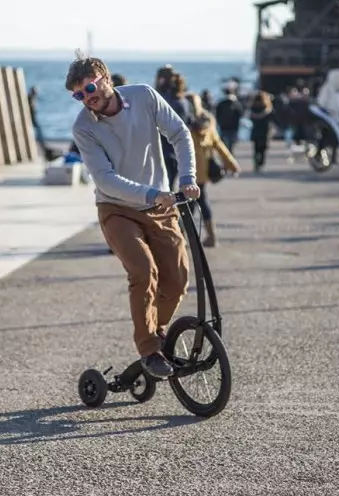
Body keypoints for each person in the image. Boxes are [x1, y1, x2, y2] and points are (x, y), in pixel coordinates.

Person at [67, 52, 199, 379]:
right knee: (143, 271)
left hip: (161, 206)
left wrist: (187, 178)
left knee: (177, 281)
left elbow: (180, 134)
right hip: (117, 209)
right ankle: (150, 349)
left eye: (91, 88)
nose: (87, 98)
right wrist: (152, 193)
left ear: (106, 79)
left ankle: (156, 332)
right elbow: (105, 179)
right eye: (79, 95)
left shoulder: (144, 97)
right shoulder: (84, 128)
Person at [185, 92, 241, 247]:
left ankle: (185, 237)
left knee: (191, 203)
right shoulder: (208, 123)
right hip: (202, 170)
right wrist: (231, 164)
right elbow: (219, 145)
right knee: (199, 201)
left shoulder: (184, 123)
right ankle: (209, 236)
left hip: (187, 169)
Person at [248, 90, 273, 170]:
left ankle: (256, 162)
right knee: (263, 148)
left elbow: (251, 118)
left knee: (256, 147)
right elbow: (272, 118)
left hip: (255, 129)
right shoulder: (267, 108)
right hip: (264, 130)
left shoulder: (253, 108)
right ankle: (261, 162)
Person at [214, 88, 244, 153]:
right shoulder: (236, 103)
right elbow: (241, 113)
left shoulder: (221, 103)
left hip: (223, 126)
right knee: (232, 142)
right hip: (234, 126)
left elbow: (217, 113)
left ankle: (226, 153)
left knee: (224, 142)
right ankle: (230, 153)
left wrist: (218, 122)